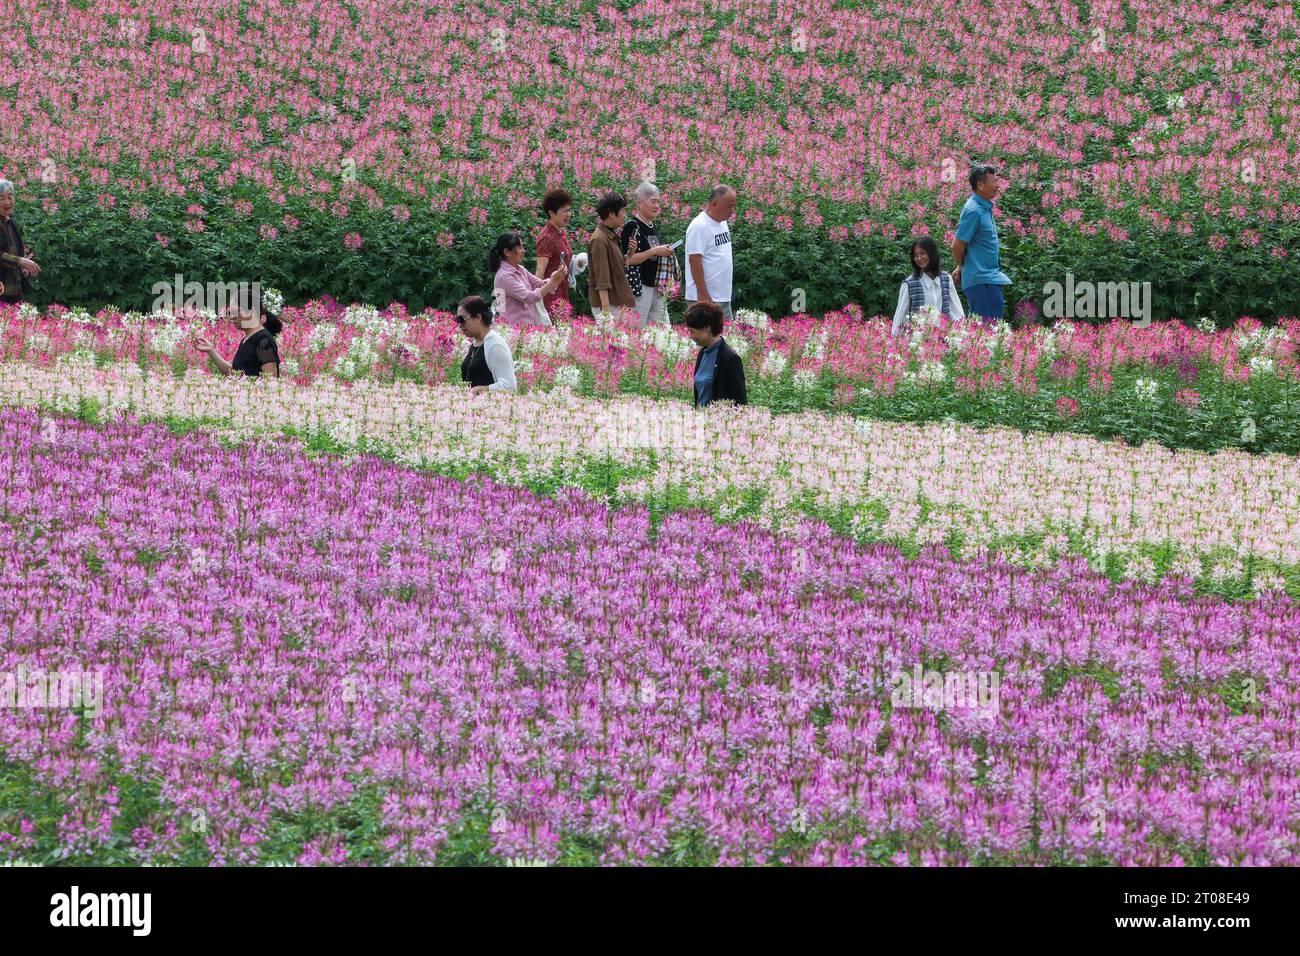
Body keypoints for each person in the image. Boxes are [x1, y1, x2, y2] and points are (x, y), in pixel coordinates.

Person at [951, 164, 1011, 322]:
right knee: (987, 330)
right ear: (980, 185)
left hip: (988, 278)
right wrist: (962, 266)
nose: (997, 185)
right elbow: (957, 246)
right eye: (994, 182)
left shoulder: (983, 208)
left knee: (991, 327)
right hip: (980, 280)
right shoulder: (973, 210)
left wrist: (960, 266)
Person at [620, 181, 675, 327]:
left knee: (661, 329)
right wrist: (655, 251)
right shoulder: (632, 226)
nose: (657, 205)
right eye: (653, 201)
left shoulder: (652, 226)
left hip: (656, 287)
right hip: (639, 287)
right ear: (639, 203)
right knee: (636, 329)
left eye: (658, 201)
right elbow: (626, 260)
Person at [193, 287, 282, 377]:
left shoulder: (263, 340)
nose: (232, 317)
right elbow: (235, 374)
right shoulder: (247, 339)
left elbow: (271, 380)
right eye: (230, 313)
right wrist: (211, 351)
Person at [490, 230, 567, 329]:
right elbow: (529, 298)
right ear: (507, 252)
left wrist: (556, 278)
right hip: (513, 329)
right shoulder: (504, 276)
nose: (523, 250)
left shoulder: (520, 269)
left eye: (523, 247)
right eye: (519, 247)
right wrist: (552, 282)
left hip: (527, 327)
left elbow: (539, 285)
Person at [891, 236, 965, 336]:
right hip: (918, 343)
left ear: (932, 253)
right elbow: (900, 317)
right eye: (915, 255)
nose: (919, 258)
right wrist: (895, 340)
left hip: (944, 340)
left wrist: (962, 334)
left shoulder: (946, 279)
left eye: (922, 253)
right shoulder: (909, 284)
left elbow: (957, 311)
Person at [685, 184, 736, 322]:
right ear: (714, 204)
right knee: (707, 340)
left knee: (727, 340)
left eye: (733, 206)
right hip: (705, 299)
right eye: (729, 206)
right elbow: (694, 261)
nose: (732, 211)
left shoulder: (722, 222)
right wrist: (703, 294)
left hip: (722, 297)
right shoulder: (699, 226)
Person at [585, 192, 638, 316]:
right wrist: (606, 310)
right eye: (623, 211)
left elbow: (615, 266)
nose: (625, 215)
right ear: (611, 213)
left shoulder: (609, 236)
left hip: (616, 301)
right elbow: (601, 277)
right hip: (609, 304)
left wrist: (630, 254)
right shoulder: (599, 240)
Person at [685, 301, 746, 408]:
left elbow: (740, 402)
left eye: (692, 331)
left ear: (707, 328)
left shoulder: (730, 359)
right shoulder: (702, 354)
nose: (691, 336)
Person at [456, 294, 517, 394]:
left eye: (462, 320)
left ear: (478, 317)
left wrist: (481, 390)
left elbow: (510, 386)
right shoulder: (476, 343)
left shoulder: (495, 345)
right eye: (457, 320)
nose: (460, 325)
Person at [534, 188, 575, 313]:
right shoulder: (547, 237)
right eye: (564, 211)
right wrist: (535, 300)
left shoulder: (560, 233)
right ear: (551, 213)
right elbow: (540, 271)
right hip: (551, 296)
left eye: (569, 210)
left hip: (562, 292)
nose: (568, 214)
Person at [0, 180, 39, 306]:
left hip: (13, 287)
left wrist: (23, 264)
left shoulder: (9, 221)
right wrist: (21, 261)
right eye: (1, 198)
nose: (7, 202)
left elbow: (15, 247)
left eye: (10, 196)